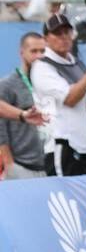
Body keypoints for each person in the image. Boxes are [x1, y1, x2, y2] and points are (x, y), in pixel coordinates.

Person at [30, 13, 86, 176]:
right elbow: (70, 99)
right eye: (58, 33)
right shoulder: (42, 67)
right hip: (66, 148)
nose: (64, 37)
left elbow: (85, 100)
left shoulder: (77, 63)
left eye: (67, 32)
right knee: (70, 201)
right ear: (46, 39)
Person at [0, 32, 49, 180]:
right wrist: (9, 164)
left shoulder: (50, 82)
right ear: (22, 53)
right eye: (34, 51)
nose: (39, 56)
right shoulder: (7, 85)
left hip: (50, 164)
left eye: (43, 51)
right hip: (22, 166)